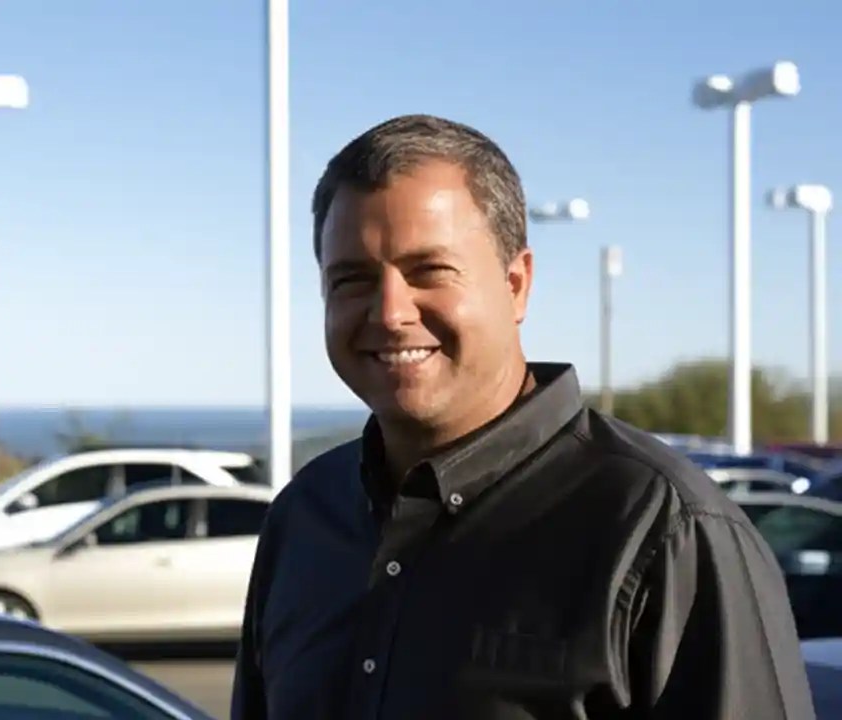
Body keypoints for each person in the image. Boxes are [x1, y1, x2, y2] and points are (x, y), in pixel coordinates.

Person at [230, 114, 815, 720]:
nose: (391, 312)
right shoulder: (303, 519)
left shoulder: (665, 531)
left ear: (516, 285)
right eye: (351, 280)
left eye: (429, 271)